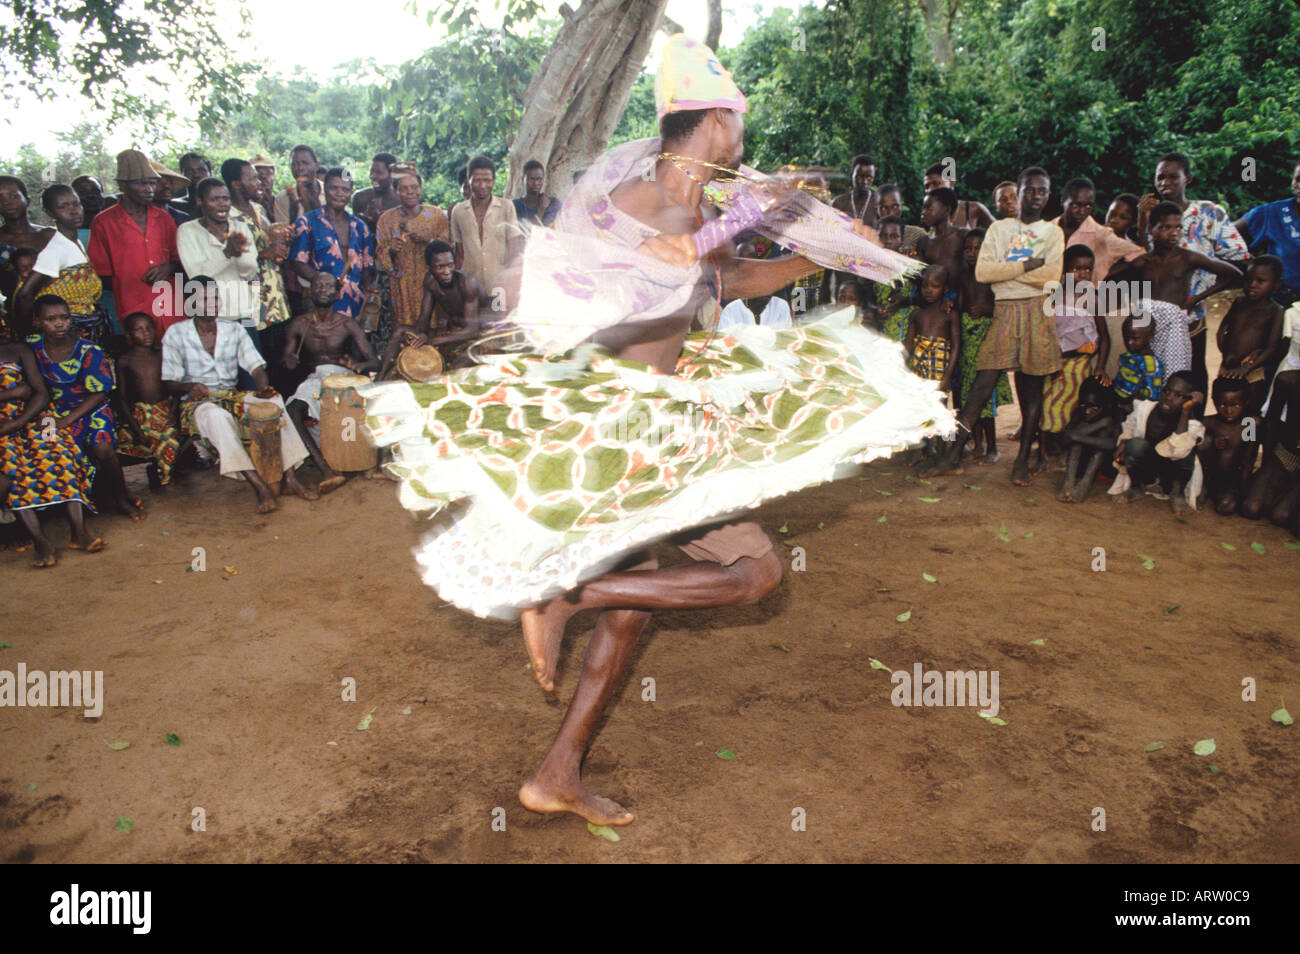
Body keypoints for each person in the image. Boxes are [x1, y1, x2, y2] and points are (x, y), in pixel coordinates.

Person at [363, 34, 940, 828]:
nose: (745, 136)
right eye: (738, 120)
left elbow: (716, 279)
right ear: (714, 123)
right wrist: (750, 211)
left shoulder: (694, 207)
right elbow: (662, 265)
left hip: (653, 422)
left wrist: (825, 260)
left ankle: (557, 771)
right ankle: (572, 594)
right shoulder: (641, 203)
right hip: (636, 432)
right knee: (757, 574)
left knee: (634, 612)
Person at [923, 166, 1065, 484]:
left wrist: (1009, 268)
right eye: (1029, 190)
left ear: (1048, 194)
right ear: (1020, 192)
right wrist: (1029, 265)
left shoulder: (1053, 233)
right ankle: (953, 455)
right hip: (1004, 310)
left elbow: (1052, 277)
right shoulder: (999, 230)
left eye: (1042, 190)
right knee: (980, 386)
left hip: (1037, 312)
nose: (1036, 196)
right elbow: (985, 273)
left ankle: (1022, 462)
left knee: (1031, 393)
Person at [161, 276, 316, 513]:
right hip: (196, 404)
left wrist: (263, 388)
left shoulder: (232, 329)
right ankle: (258, 487)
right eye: (203, 299)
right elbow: (169, 382)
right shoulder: (176, 334)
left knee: (274, 401)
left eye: (214, 298)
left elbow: (256, 366)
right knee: (217, 417)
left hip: (231, 397)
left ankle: (291, 477)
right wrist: (187, 386)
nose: (211, 304)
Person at [1138, 153, 1250, 383]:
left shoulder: (1208, 212)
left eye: (1172, 177)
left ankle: (1193, 419)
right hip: (1154, 312)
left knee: (1194, 371)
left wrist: (1200, 296)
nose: (1165, 183)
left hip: (1192, 312)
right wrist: (1141, 219)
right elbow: (1142, 259)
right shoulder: (1154, 216)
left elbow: (1238, 257)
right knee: (1155, 372)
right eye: (1160, 178)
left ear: (1187, 178)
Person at [27, 294, 142, 519]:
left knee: (103, 448)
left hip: (90, 407)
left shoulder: (88, 350)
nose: (60, 323)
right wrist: (48, 416)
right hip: (50, 410)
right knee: (49, 446)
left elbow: (100, 392)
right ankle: (67, 504)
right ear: (38, 321)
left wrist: (68, 421)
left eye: (65, 317)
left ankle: (121, 497)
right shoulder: (31, 347)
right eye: (51, 319)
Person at [0, 334, 101, 566]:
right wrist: (14, 393)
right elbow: (23, 390)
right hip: (1, 427)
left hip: (37, 416)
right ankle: (40, 541)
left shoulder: (18, 349)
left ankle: (79, 532)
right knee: (12, 466)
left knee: (61, 453)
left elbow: (41, 393)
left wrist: (18, 422)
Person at [283, 272, 379, 492]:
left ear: (337, 294)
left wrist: (360, 366)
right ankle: (326, 470)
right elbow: (286, 360)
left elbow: (374, 362)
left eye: (328, 287)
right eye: (318, 286)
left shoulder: (347, 325)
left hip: (344, 378)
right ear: (311, 291)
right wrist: (290, 361)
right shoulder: (300, 324)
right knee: (293, 411)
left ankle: (365, 462)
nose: (323, 290)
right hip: (317, 379)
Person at [1131, 201, 1242, 377]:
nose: (1174, 233)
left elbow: (1233, 274)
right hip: (1146, 326)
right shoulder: (1143, 262)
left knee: (1175, 374)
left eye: (1178, 228)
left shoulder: (1186, 258)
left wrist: (1196, 299)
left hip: (1174, 326)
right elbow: (1116, 279)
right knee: (1146, 374)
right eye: (1166, 227)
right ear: (1151, 228)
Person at [87, 149, 183, 337]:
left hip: (171, 306)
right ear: (123, 185)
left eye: (152, 183)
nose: (149, 189)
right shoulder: (104, 222)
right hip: (134, 311)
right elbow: (101, 273)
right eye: (142, 183)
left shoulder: (164, 218)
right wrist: (131, 283)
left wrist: (169, 268)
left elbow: (180, 260)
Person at [222, 158, 293, 383]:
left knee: (281, 366)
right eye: (252, 178)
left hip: (276, 302)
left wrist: (281, 245)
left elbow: (270, 245)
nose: (259, 182)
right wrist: (265, 253)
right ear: (235, 184)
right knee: (258, 368)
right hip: (251, 304)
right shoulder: (227, 217)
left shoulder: (259, 208)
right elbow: (228, 259)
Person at [1040, 245, 1109, 457]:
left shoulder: (1093, 299)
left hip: (1081, 365)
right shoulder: (1053, 297)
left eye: (1088, 269)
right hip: (1056, 364)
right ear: (1064, 270)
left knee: (1073, 408)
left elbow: (1105, 337)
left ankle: (1065, 450)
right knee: (1048, 407)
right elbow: (1045, 335)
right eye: (1076, 269)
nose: (1083, 274)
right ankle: (1044, 450)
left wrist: (1100, 367)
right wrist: (1051, 363)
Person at [14, 185, 107, 344]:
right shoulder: (55, 249)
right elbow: (24, 295)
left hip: (80, 332)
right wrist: (27, 336)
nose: (73, 211)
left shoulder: (75, 242)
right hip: (63, 337)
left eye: (76, 204)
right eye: (63, 207)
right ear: (50, 213)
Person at [378, 239, 484, 377]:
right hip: (451, 333)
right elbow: (424, 318)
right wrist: (420, 334)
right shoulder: (430, 281)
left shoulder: (468, 283)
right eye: (440, 267)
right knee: (400, 331)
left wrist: (433, 341)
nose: (447, 271)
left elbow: (472, 330)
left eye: (450, 265)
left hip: (477, 338)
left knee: (456, 367)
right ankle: (380, 376)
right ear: (429, 267)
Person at [1110, 370, 1205, 514]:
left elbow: (1179, 451)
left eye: (1178, 396)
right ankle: (1136, 488)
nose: (1169, 398)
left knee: (1186, 450)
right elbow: (1130, 425)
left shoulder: (1193, 425)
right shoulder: (1145, 409)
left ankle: (1177, 494)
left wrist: (1186, 412)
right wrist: (1124, 442)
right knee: (1135, 445)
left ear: (1189, 401)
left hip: (1172, 474)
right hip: (1149, 470)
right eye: (1167, 391)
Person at [177, 178, 261, 338]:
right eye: (214, 199)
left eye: (225, 198)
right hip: (210, 319)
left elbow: (249, 273)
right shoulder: (187, 231)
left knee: (252, 363)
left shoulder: (240, 227)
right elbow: (196, 276)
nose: (222, 204)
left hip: (242, 313)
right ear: (200, 201)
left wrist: (239, 254)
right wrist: (227, 253)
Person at [955, 229, 1012, 463]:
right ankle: (978, 444)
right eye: (968, 248)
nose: (972, 253)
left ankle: (993, 447)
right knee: (970, 396)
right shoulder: (963, 276)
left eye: (977, 248)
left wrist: (987, 311)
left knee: (986, 398)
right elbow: (960, 303)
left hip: (988, 339)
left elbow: (1005, 305)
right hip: (968, 341)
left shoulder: (994, 277)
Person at [289, 168, 375, 320]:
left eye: (345, 189)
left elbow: (367, 265)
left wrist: (368, 293)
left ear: (350, 193)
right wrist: (325, 285)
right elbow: (297, 262)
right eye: (334, 188)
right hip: (321, 302)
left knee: (355, 341)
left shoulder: (361, 227)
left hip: (355, 302)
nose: (339, 193)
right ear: (325, 189)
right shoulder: (306, 222)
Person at [376, 168, 450, 339]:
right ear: (396, 191)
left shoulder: (436, 215)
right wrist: (392, 250)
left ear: (420, 189)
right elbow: (381, 255)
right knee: (405, 333)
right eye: (404, 188)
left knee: (434, 330)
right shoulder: (386, 220)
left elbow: (448, 249)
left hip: (431, 283)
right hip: (403, 286)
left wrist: (429, 240)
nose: (411, 192)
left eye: (414, 187)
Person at [114, 312, 184, 488]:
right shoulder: (124, 360)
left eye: (149, 328)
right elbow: (121, 397)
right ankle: (156, 467)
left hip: (165, 410)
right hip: (140, 415)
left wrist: (173, 412)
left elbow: (174, 387)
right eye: (139, 330)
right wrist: (135, 428)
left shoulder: (163, 353)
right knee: (124, 441)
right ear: (129, 336)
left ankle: (166, 474)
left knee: (170, 438)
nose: (146, 333)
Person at [1215, 256, 1285, 412]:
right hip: (1226, 368)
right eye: (1248, 280)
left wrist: (1245, 369)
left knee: (1249, 410)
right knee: (1226, 407)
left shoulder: (1275, 311)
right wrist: (1223, 347)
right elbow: (1223, 327)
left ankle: (1249, 437)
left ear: (1276, 284)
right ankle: (1229, 436)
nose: (1252, 285)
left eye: (1260, 281)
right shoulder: (1239, 302)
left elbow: (1272, 348)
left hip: (1252, 372)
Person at [450, 155, 520, 300]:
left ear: (493, 181)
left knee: (497, 320)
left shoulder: (506, 207)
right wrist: (456, 285)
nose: (482, 185)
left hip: (500, 285)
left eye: (487, 180)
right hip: (470, 285)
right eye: (477, 180)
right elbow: (459, 253)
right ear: (469, 180)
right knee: (474, 321)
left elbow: (514, 248)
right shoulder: (458, 211)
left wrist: (510, 281)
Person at [1234, 160, 1300, 307]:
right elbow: (1226, 237)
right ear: (1293, 183)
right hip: (1281, 303)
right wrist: (1255, 268)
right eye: (1298, 179)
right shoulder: (1271, 214)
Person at [1198, 376, 1257, 515]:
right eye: (1222, 405)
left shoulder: (1248, 424)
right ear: (1213, 401)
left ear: (1246, 402)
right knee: (1204, 441)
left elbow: (1248, 460)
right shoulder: (1209, 422)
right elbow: (1197, 454)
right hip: (1209, 476)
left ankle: (1225, 495)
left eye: (1235, 405)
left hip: (1232, 481)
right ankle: (1203, 488)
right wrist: (1212, 444)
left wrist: (1243, 490)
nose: (1228, 411)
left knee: (1225, 508)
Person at [1057, 376, 1120, 503]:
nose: (1087, 411)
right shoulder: (1079, 412)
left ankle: (1086, 482)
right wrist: (1100, 423)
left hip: (1106, 467)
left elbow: (1114, 445)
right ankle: (1068, 482)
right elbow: (1064, 439)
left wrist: (1076, 436)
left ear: (1106, 404)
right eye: (1084, 405)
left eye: (1094, 408)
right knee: (1080, 432)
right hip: (1081, 463)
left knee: (1101, 435)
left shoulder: (1115, 414)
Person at [905, 263, 959, 394]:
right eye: (925, 286)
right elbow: (908, 345)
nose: (929, 290)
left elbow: (956, 347)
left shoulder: (950, 315)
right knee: (919, 406)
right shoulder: (916, 314)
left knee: (938, 406)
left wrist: (947, 376)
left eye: (935, 286)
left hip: (939, 371)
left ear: (945, 289)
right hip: (917, 369)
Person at [916, 187, 967, 293]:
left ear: (947, 210)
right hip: (934, 298)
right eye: (923, 208)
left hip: (960, 296)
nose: (924, 213)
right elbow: (920, 277)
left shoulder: (962, 235)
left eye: (929, 208)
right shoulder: (923, 242)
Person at [922, 161, 993, 229]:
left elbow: (1000, 233)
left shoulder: (973, 209)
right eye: (927, 186)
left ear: (951, 183)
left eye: (936, 183)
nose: (930, 190)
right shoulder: (926, 216)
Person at [1113, 315, 1164, 405]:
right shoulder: (1130, 355)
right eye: (1126, 338)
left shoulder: (1151, 365)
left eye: (1135, 339)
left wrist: (1130, 402)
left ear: (1150, 336)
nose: (1129, 342)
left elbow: (1152, 395)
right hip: (1117, 400)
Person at [350, 152, 401, 231]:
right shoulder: (360, 197)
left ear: (392, 174)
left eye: (379, 172)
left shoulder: (401, 200)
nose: (372, 176)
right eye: (371, 172)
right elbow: (355, 232)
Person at [831, 154, 879, 227]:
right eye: (860, 176)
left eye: (869, 177)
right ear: (852, 175)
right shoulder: (838, 203)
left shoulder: (879, 204)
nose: (865, 182)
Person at [875, 185, 926, 251]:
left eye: (895, 206)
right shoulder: (867, 236)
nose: (890, 212)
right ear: (877, 209)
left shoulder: (918, 235)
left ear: (901, 206)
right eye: (884, 208)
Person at [514, 159, 562, 228]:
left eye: (539, 179)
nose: (536, 183)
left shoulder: (553, 204)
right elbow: (527, 234)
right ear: (523, 179)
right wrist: (541, 210)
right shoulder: (515, 206)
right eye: (532, 179)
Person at [169, 152, 211, 221]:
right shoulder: (173, 206)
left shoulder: (223, 204)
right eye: (189, 171)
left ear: (210, 172)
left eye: (201, 170)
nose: (196, 175)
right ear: (182, 175)